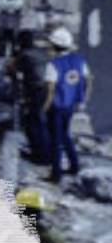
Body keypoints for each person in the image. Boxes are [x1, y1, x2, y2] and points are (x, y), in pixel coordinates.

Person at [43, 26, 89, 182]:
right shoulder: (79, 61)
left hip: (56, 108)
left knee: (55, 140)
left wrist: (44, 108)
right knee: (65, 135)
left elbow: (50, 91)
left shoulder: (53, 65)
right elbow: (87, 81)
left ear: (54, 45)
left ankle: (56, 174)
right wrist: (82, 100)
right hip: (69, 106)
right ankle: (74, 166)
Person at [11, 29, 52, 165]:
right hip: (48, 89)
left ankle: (40, 156)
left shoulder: (24, 55)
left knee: (33, 123)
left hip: (36, 91)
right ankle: (44, 154)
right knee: (41, 122)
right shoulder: (41, 52)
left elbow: (12, 69)